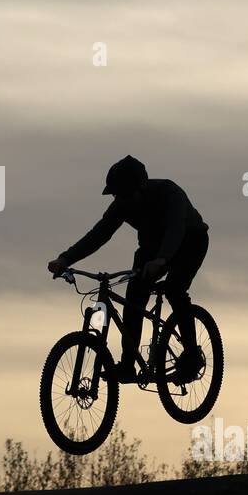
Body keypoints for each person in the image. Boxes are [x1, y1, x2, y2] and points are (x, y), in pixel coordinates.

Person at [46, 156, 209, 384]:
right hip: (151, 250)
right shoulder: (122, 204)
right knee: (134, 296)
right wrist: (65, 259)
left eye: (123, 194)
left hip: (190, 242)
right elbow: (98, 235)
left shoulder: (170, 194)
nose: (120, 200)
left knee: (174, 289)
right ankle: (127, 365)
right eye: (116, 195)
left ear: (140, 187)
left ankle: (192, 357)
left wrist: (162, 259)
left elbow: (175, 228)